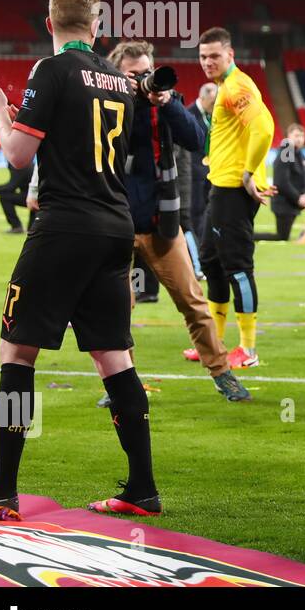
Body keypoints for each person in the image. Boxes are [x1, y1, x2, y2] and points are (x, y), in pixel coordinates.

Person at [0, 0, 161, 520]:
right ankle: (143, 490)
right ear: (97, 27)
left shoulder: (52, 71)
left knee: (16, 353)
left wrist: (1, 109)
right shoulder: (119, 79)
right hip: (115, 227)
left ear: (49, 25)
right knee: (114, 356)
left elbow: (19, 156)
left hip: (65, 226)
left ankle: (1, 489)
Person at [107, 40, 251, 402]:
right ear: (115, 76)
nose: (144, 81)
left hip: (161, 223)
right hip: (116, 225)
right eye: (134, 75)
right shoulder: (105, 106)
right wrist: (125, 98)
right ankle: (121, 385)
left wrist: (166, 103)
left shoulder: (166, 104)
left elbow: (197, 139)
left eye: (147, 73)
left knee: (193, 302)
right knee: (116, 310)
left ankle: (222, 373)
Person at [198, 28, 276, 368]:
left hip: (233, 191)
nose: (207, 62)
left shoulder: (237, 86)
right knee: (210, 262)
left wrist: (248, 172)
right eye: (202, 57)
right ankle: (215, 344)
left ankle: (248, 349)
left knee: (237, 268)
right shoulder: (225, 88)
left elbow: (265, 128)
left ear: (230, 54)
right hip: (221, 187)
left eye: (214, 55)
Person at [260, 124, 305, 241]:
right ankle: (247, 236)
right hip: (284, 202)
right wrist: (298, 198)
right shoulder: (287, 150)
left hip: (297, 198)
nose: (299, 138)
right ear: (288, 137)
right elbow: (281, 182)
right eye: (296, 135)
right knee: (281, 237)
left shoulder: (299, 153)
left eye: (302, 136)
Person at [186, 81, 216, 277]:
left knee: (208, 213)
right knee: (195, 215)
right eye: (213, 102)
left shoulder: (212, 115)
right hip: (193, 175)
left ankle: (206, 255)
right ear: (203, 97)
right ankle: (198, 262)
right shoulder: (189, 114)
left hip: (210, 173)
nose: (215, 106)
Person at [0, 161, 36, 233]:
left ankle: (16, 226)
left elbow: (11, 186)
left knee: (4, 197)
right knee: (32, 230)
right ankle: (30, 227)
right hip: (37, 196)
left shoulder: (17, 163)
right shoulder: (26, 161)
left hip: (34, 198)